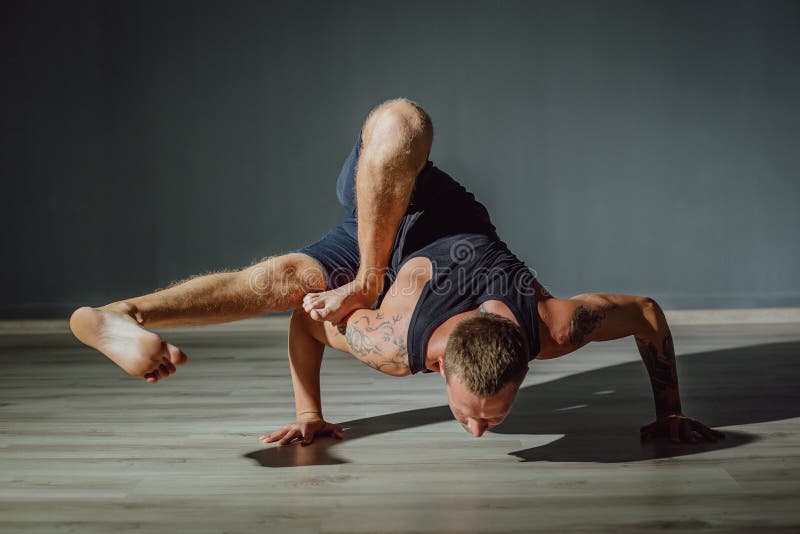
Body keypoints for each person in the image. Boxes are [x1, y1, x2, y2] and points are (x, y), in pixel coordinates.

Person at [70, 98, 725, 448]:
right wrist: (363, 285)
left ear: (531, 362)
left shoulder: (550, 331)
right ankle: (363, 272)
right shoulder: (396, 343)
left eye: (486, 418)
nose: (473, 430)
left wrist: (671, 411)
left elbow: (644, 313)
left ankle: (124, 315)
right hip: (404, 202)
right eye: (480, 418)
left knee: (290, 280)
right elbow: (643, 311)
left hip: (365, 252)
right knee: (399, 123)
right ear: (441, 369)